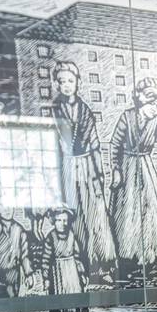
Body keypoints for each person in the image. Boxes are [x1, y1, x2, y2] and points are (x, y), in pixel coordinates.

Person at [109, 77, 157, 283]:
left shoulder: (156, 121)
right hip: (128, 168)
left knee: (151, 213)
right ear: (142, 101)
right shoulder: (127, 116)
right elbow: (115, 144)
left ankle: (154, 261)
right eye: (153, 105)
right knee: (128, 215)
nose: (156, 109)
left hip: (146, 169)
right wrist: (115, 169)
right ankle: (128, 262)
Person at [52, 60, 117, 283]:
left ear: (77, 82)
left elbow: (95, 143)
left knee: (96, 214)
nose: (66, 85)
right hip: (67, 166)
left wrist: (99, 173)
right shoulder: (55, 110)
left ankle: (104, 265)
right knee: (74, 215)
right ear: (57, 84)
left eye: (70, 80)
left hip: (87, 165)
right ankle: (82, 267)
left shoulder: (85, 110)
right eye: (62, 81)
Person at [43, 207, 87, 312]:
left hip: (72, 270)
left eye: (65, 220)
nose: (62, 223)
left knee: (74, 291)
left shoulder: (72, 235)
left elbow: (77, 257)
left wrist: (82, 273)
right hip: (57, 270)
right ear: (54, 221)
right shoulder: (51, 236)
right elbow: (46, 259)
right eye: (59, 220)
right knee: (57, 295)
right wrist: (46, 278)